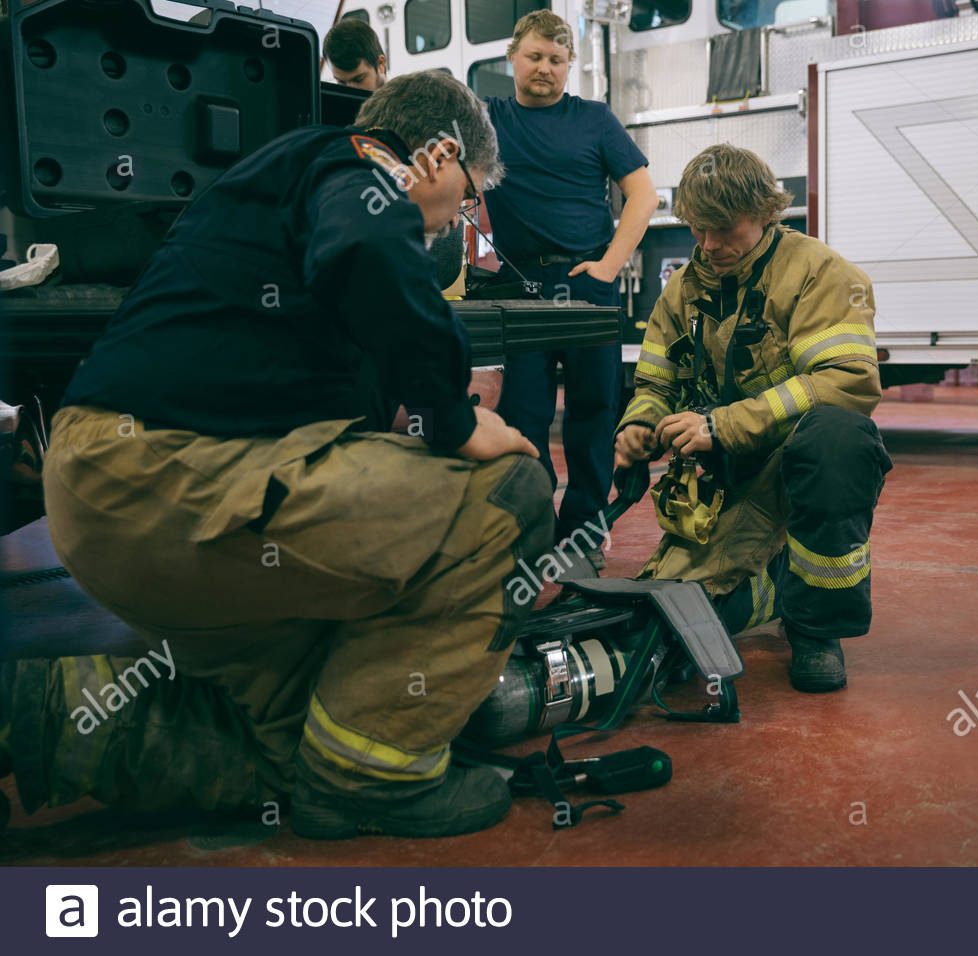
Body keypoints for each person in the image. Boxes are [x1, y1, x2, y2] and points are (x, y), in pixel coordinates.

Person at [0, 72, 553, 839]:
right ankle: (374, 783)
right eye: (466, 195)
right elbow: (367, 240)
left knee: (292, 745)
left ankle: (36, 717)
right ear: (441, 155)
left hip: (120, 492)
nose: (461, 215)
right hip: (173, 476)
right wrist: (452, 422)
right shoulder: (357, 168)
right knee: (512, 493)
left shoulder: (287, 183)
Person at [614, 144, 893, 693]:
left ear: (768, 213)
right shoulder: (682, 290)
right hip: (721, 482)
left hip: (796, 466)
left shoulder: (821, 272)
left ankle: (816, 628)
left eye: (724, 229)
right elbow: (653, 382)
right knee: (671, 614)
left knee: (840, 438)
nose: (710, 245)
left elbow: (847, 382)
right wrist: (638, 427)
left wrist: (720, 426)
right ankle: (785, 584)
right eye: (698, 229)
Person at [484, 9, 659, 568]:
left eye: (557, 60)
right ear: (511, 57)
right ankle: (532, 524)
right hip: (518, 286)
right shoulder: (487, 120)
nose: (545, 68)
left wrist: (609, 265)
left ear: (569, 66)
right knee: (524, 413)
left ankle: (583, 531)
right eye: (535, 56)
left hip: (587, 283)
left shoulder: (595, 119)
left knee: (594, 410)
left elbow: (644, 195)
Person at [324, 17, 387, 90]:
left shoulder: (402, 99)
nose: (349, 91)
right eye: (341, 82)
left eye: (358, 79)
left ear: (380, 64)